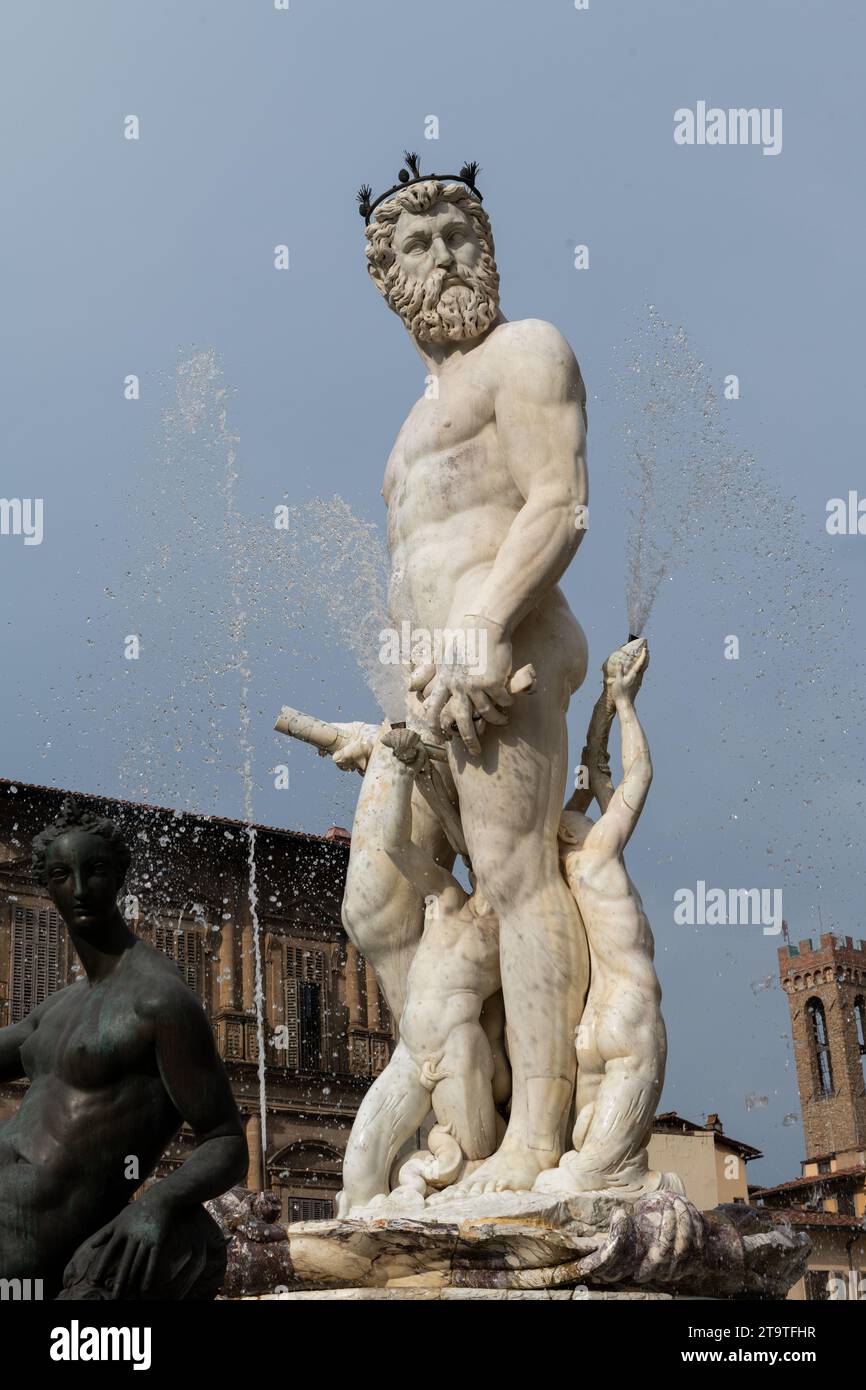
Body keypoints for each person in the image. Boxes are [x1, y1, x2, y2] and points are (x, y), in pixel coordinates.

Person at [341, 157, 590, 1192]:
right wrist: (393, 702)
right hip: (423, 687)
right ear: (385, 277)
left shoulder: (524, 350)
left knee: (515, 872)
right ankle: (463, 1104)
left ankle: (532, 1137)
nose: (445, 257)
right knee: (374, 902)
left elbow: (558, 502)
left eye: (459, 235)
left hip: (505, 654)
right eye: (417, 244)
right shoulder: (407, 425)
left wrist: (483, 623)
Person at [0, 797, 248, 1298]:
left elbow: (227, 1140)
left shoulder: (159, 1000)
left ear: (119, 877)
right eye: (61, 875)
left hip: (29, 1258)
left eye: (94, 871)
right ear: (45, 886)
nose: (80, 888)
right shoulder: (54, 1011)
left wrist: (156, 1203)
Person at [338, 729, 508, 1213]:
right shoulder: (449, 898)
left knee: (468, 1174)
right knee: (360, 1173)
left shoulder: (516, 937)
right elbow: (394, 845)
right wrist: (403, 773)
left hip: (459, 1056)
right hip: (412, 1055)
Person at [537, 640, 678, 1197]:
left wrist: (602, 703)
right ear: (576, 830)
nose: (595, 811)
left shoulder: (563, 871)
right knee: (604, 1176)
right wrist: (625, 703)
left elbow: (593, 772)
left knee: (578, 1166)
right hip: (630, 1012)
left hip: (589, 1030)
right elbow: (635, 775)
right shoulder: (598, 856)